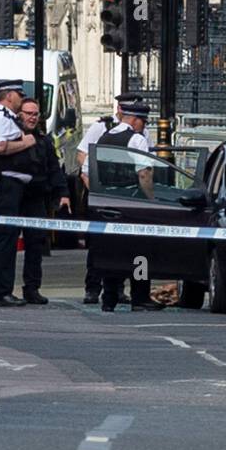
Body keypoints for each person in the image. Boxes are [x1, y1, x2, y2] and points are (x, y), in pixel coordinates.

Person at [90, 99, 162, 312]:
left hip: (106, 201)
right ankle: (140, 296)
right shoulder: (136, 139)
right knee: (140, 252)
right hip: (131, 201)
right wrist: (151, 199)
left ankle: (109, 297)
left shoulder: (105, 136)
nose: (145, 126)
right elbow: (144, 173)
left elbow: (89, 170)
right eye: (144, 121)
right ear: (135, 120)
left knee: (113, 252)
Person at [76, 92, 142, 305]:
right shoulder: (100, 128)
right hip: (104, 198)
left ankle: (117, 290)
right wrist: (98, 193)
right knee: (98, 246)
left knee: (125, 246)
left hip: (126, 198)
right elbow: (83, 158)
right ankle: (93, 288)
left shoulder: (140, 133)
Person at [0, 80, 36, 306]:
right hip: (4, 186)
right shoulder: (1, 117)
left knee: (5, 238)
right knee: (4, 239)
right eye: (19, 95)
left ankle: (2, 289)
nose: (22, 98)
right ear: (9, 96)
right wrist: (26, 142)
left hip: (3, 184)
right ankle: (0, 291)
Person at [16, 97, 71, 305]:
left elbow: (54, 169)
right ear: (19, 114)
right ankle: (0, 288)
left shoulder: (43, 140)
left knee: (35, 243)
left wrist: (63, 193)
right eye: (28, 113)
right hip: (14, 195)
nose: (32, 118)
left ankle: (32, 288)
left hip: (36, 197)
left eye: (35, 114)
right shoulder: (13, 136)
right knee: (5, 242)